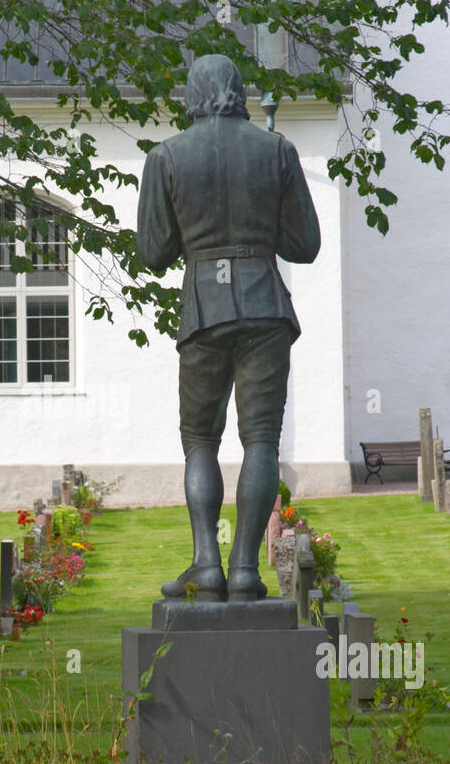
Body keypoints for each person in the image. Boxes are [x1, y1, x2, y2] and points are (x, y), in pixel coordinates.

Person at [136, 53, 321, 603]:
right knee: (260, 438)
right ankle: (244, 570)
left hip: (203, 309)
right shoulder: (277, 150)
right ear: (238, 92)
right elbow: (304, 245)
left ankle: (206, 563)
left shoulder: (166, 155)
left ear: (192, 95)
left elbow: (153, 252)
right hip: (265, 307)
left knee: (200, 439)